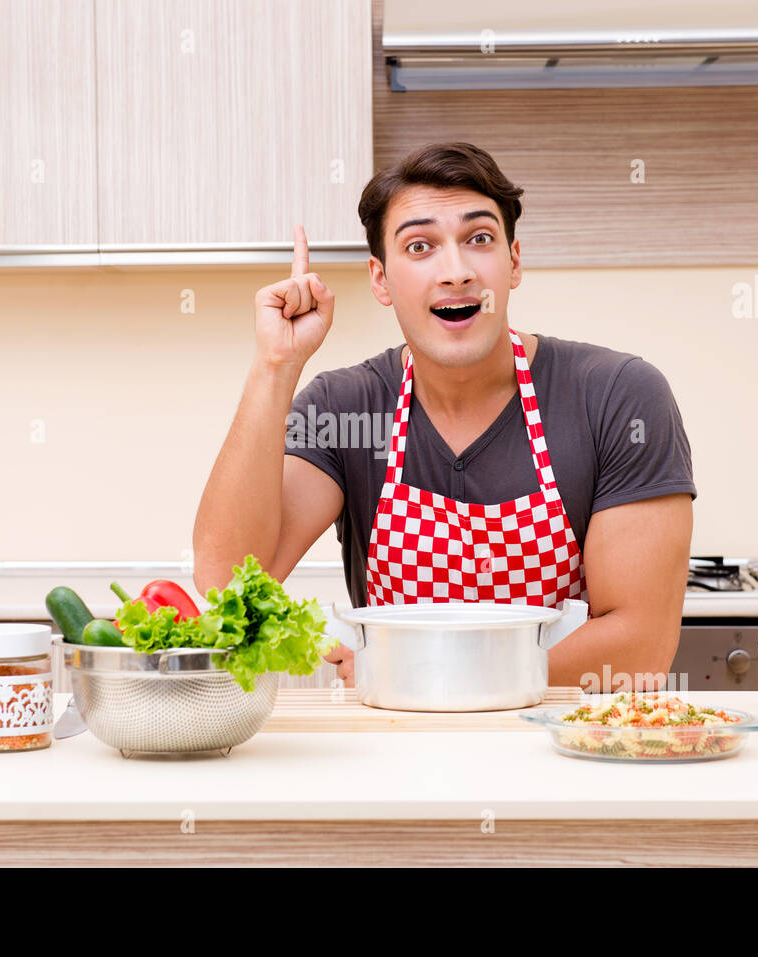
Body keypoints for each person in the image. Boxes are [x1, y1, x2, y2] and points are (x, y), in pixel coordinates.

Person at [193, 142, 695, 690]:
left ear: (514, 262)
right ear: (381, 280)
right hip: (394, 737)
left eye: (479, 239)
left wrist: (423, 673)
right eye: (420, 246)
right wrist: (276, 366)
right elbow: (227, 583)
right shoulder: (345, 408)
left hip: (559, 736)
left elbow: (640, 646)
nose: (455, 272)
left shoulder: (618, 397)